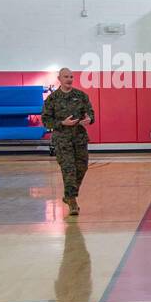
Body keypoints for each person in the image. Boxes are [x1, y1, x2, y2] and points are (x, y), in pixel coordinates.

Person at [40, 68, 95, 216]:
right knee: (69, 170)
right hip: (62, 141)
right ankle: (72, 201)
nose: (69, 79)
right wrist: (62, 123)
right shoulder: (52, 99)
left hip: (80, 139)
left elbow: (91, 113)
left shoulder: (81, 96)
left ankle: (68, 195)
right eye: (66, 77)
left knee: (81, 168)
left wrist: (89, 119)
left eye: (71, 76)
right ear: (59, 78)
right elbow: (46, 120)